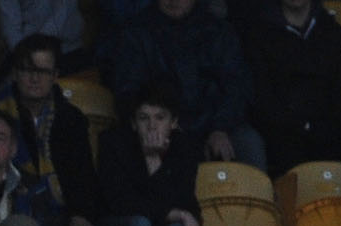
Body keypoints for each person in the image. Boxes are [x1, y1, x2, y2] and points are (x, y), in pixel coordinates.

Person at [105, 0, 262, 169]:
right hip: (160, 125)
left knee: (248, 142)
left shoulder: (219, 31)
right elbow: (129, 91)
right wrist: (163, 125)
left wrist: (220, 128)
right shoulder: (135, 33)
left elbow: (237, 86)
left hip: (214, 125)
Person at [0, 36, 104, 226]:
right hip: (6, 211)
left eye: (42, 71)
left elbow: (82, 178)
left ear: (55, 75)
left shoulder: (70, 119)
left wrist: (79, 217)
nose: (35, 78)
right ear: (16, 73)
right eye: (27, 70)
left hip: (61, 214)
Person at [243, 0, 341, 175]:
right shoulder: (257, 36)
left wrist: (321, 128)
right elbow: (262, 101)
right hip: (282, 136)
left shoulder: (335, 34)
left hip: (331, 133)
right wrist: (301, 126)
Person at [96, 84, 209, 226]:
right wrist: (181, 214)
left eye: (160, 118)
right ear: (134, 123)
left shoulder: (184, 147)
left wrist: (154, 161)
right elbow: (122, 203)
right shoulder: (113, 144)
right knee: (141, 225)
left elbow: (184, 200)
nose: (152, 126)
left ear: (173, 122)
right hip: (120, 221)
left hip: (160, 221)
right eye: (144, 118)